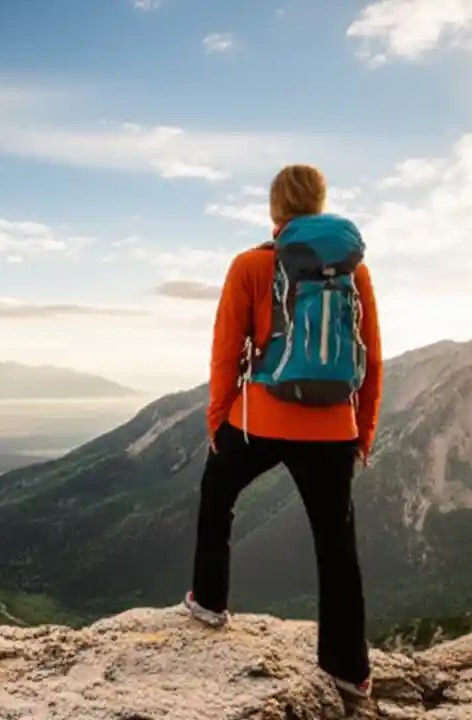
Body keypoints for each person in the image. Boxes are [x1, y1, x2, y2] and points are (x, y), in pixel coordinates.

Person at [183, 164, 383, 699]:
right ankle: (348, 669)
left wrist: (219, 420)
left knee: (217, 493)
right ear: (320, 205)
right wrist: (362, 430)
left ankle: (208, 601)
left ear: (274, 211)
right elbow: (371, 357)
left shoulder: (249, 265)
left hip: (260, 420)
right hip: (334, 427)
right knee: (337, 544)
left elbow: (227, 351)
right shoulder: (352, 271)